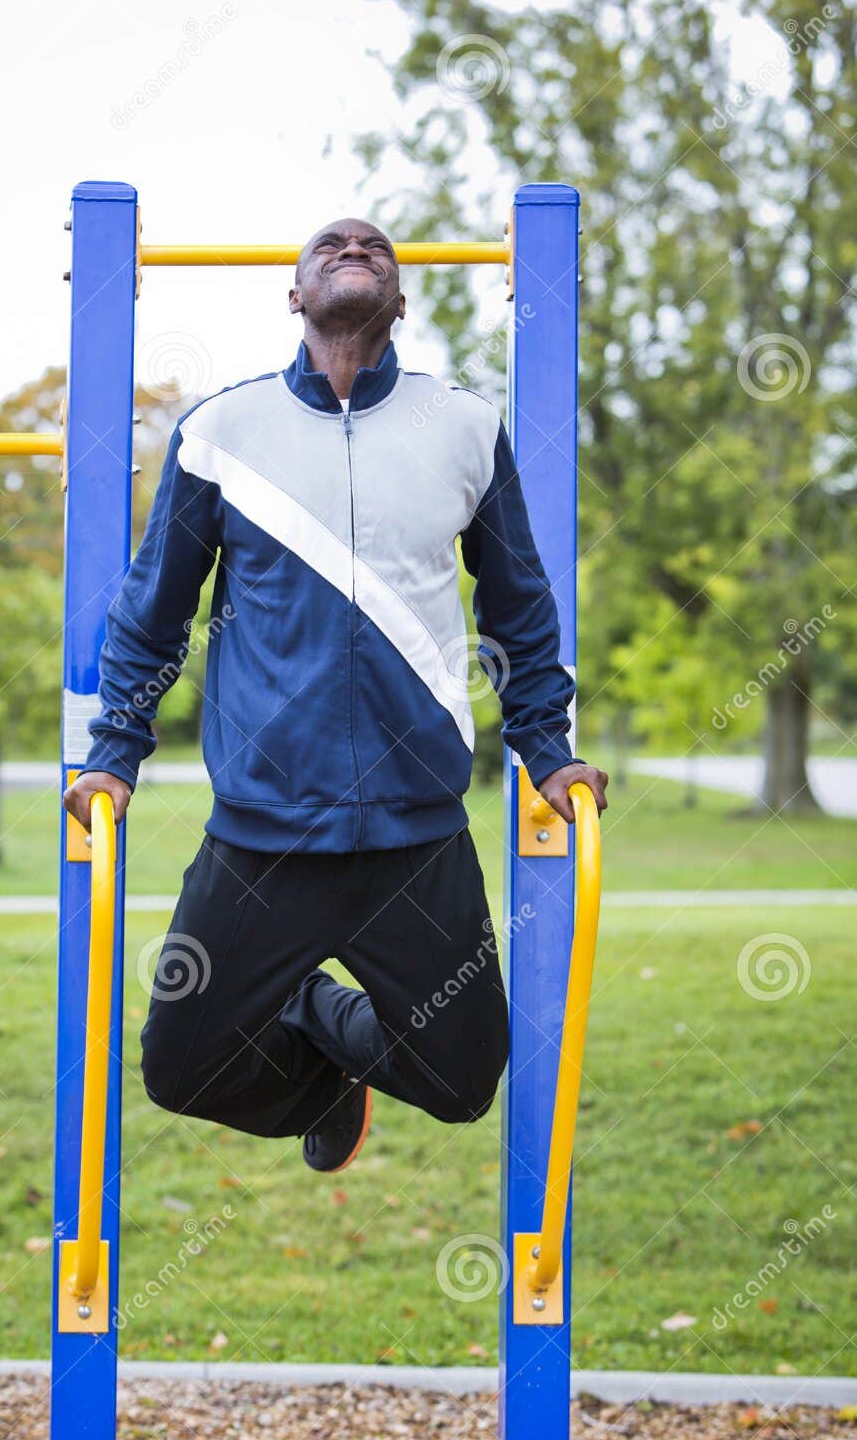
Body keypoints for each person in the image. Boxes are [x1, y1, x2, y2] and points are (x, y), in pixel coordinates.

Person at [63, 219, 608, 1173]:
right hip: (263, 835)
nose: (353, 244)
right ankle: (324, 1063)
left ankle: (317, 1012)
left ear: (399, 300)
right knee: (182, 1069)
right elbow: (154, 615)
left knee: (462, 1079)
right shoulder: (220, 432)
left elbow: (518, 608)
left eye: (375, 247)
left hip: (416, 836)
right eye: (330, 244)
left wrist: (548, 749)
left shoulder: (466, 427)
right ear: (294, 295)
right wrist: (114, 755)